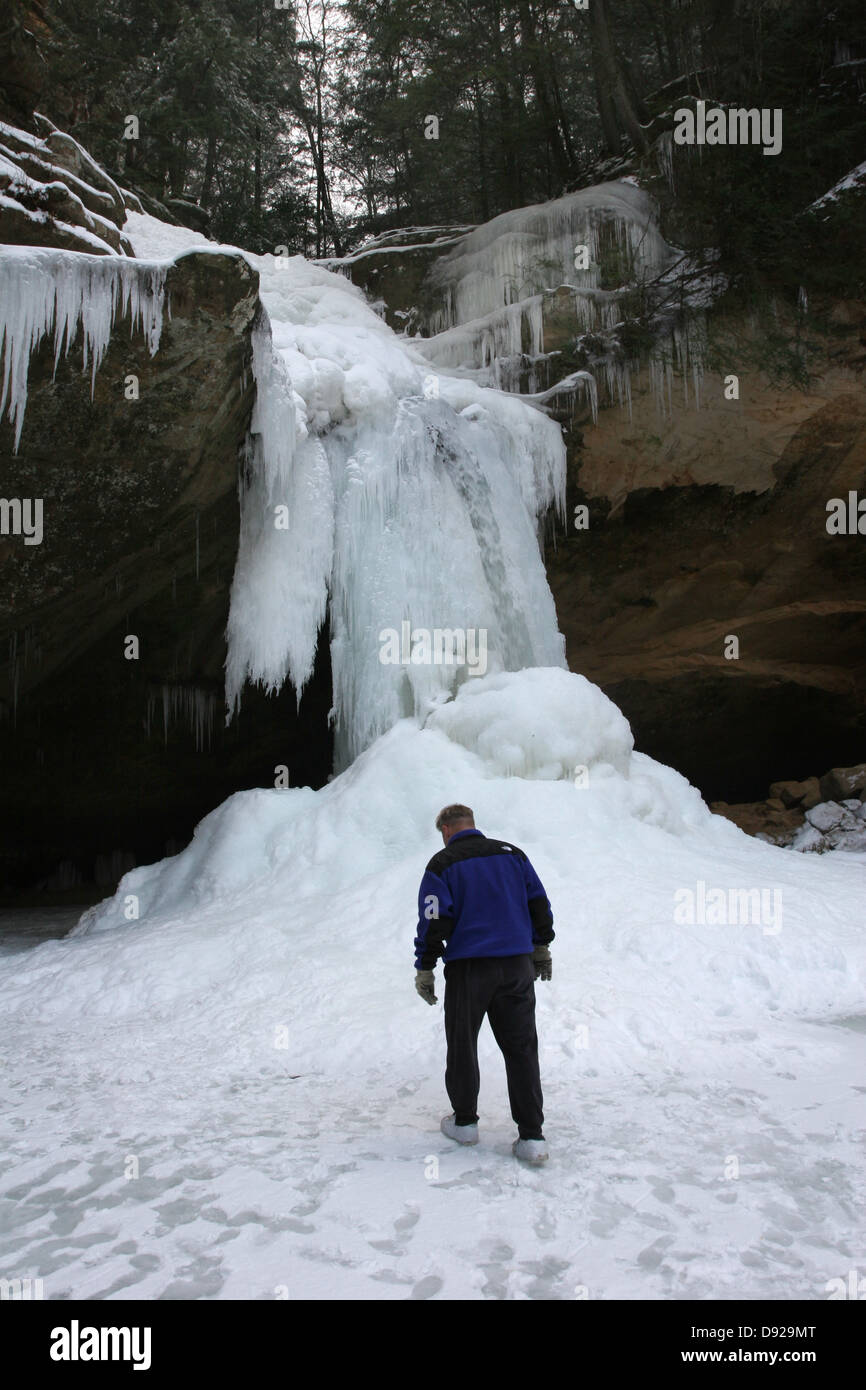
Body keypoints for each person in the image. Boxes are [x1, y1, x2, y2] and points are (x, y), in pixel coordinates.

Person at [414, 803, 554, 1164]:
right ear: (472, 825)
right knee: (521, 1048)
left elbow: (433, 919)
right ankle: (532, 1138)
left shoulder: (442, 865)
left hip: (469, 969)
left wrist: (425, 966)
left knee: (463, 1044)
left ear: (446, 830)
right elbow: (539, 902)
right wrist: (541, 948)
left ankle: (465, 1124)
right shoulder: (512, 855)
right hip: (517, 966)